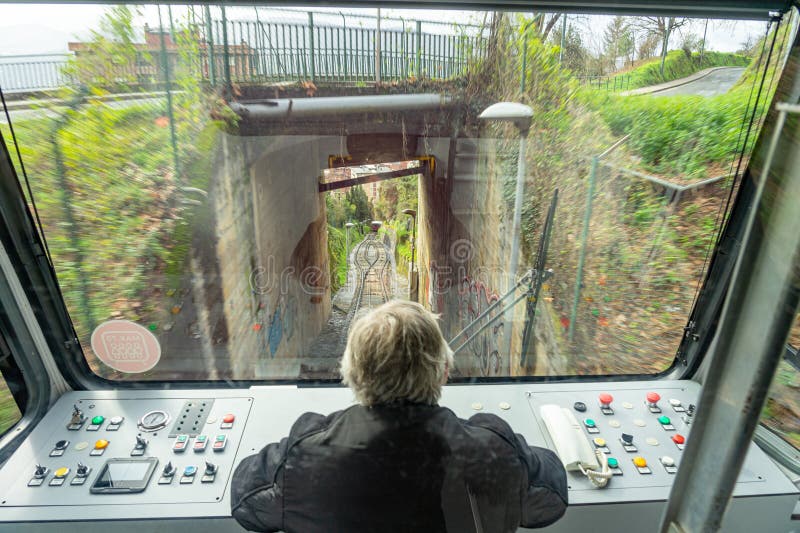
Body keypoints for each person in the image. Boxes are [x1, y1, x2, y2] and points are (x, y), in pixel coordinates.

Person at [231, 300, 567, 532]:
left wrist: (322, 430)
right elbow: (551, 497)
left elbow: (245, 501)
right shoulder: (495, 451)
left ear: (351, 373)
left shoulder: (305, 455)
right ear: (444, 371)